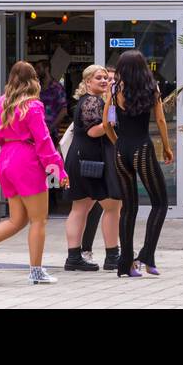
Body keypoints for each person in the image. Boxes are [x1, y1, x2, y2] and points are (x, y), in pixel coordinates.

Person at [0, 61, 68, 285]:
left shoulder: (3, 102)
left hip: (7, 158)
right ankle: (36, 271)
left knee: (17, 219)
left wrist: (6, 141)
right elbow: (44, 141)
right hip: (26, 160)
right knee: (39, 220)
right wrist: (58, 169)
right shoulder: (33, 106)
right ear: (34, 81)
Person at [104, 49, 173, 279]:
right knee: (160, 202)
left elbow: (107, 124)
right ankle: (146, 254)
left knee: (128, 208)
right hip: (142, 149)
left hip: (121, 150)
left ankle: (125, 264)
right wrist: (166, 146)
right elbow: (161, 120)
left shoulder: (114, 91)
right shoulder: (152, 89)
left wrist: (118, 144)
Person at [63, 64, 121, 273]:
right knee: (112, 205)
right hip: (89, 161)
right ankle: (113, 255)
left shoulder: (94, 101)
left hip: (83, 160)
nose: (104, 81)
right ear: (87, 82)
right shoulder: (92, 101)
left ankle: (74, 257)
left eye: (106, 78)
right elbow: (93, 131)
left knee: (81, 207)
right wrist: (110, 123)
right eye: (99, 78)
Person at [35, 60, 68, 142]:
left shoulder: (57, 88)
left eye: (39, 68)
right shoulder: (36, 88)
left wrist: (51, 127)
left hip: (51, 132)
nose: (36, 71)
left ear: (47, 69)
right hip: (36, 131)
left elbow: (64, 110)